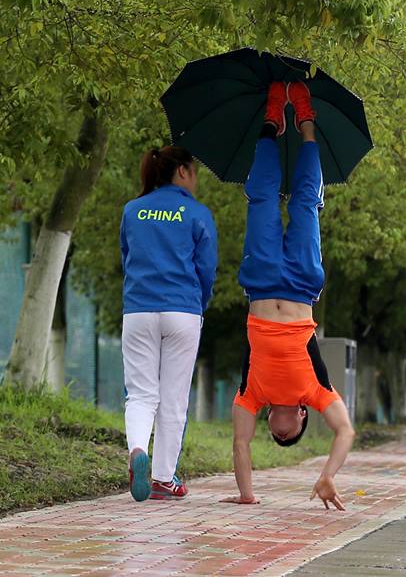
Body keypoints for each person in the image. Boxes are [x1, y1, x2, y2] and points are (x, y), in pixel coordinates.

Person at [223, 81, 356, 510]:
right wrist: (327, 476)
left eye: (274, 436)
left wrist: (247, 497)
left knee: (261, 198)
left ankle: (270, 122)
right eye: (289, 435)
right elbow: (346, 431)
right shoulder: (315, 393)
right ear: (301, 418)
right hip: (301, 282)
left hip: (261, 281)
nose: (279, 432)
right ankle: (306, 124)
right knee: (305, 203)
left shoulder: (252, 395)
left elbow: (240, 443)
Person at [120, 145, 218, 501]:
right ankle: (163, 478)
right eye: (194, 171)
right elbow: (206, 269)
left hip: (139, 310)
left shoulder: (132, 210)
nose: (196, 178)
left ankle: (137, 451)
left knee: (141, 393)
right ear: (181, 172)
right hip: (183, 310)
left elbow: (127, 258)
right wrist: (199, 303)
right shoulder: (198, 213)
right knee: (174, 399)